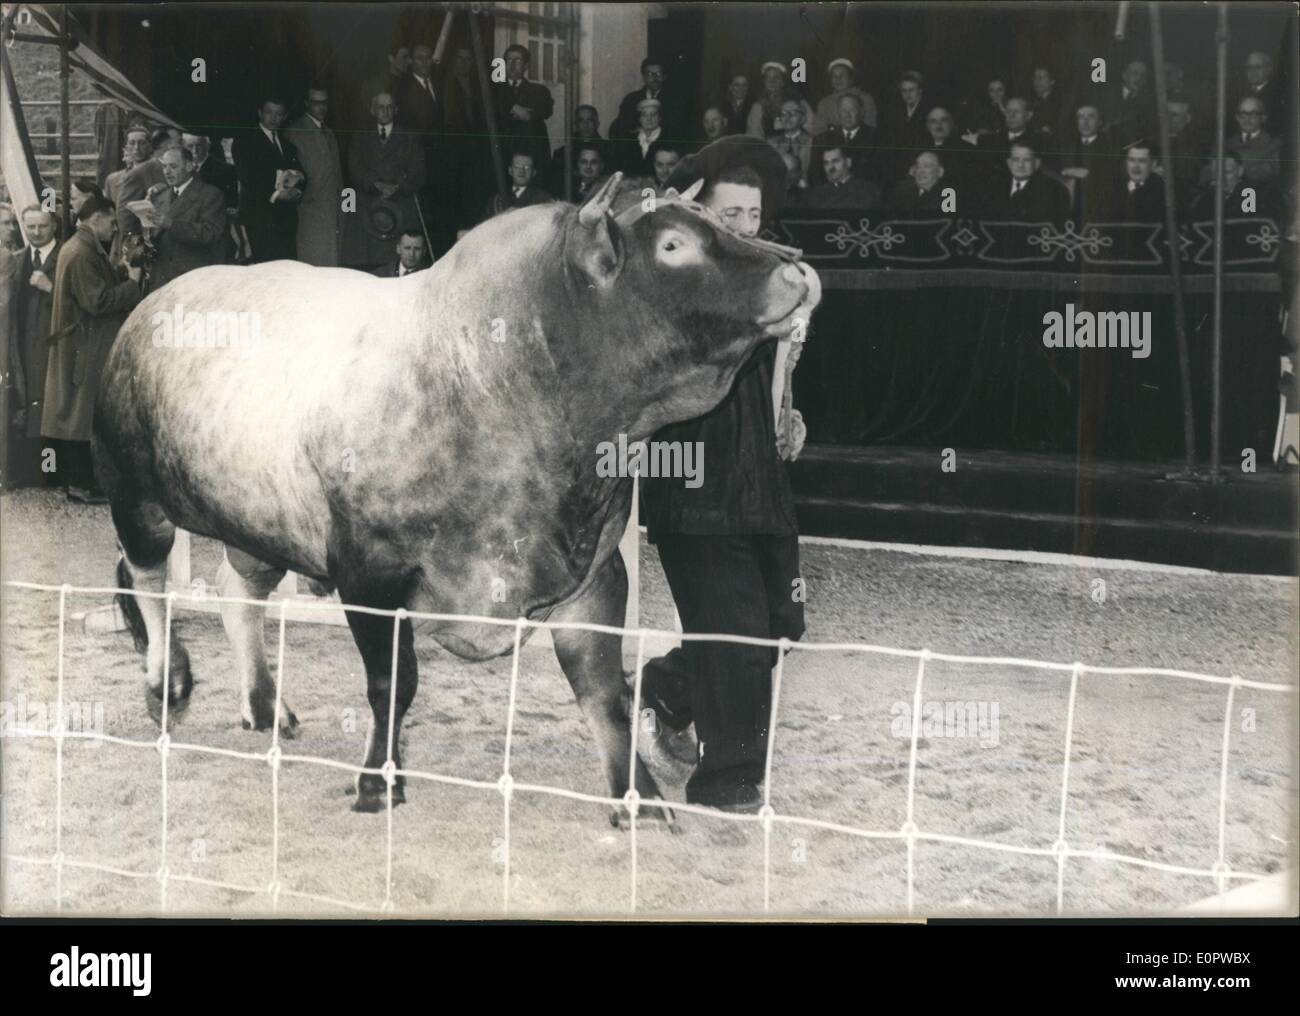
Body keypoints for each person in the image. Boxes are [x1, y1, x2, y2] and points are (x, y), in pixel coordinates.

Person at [638, 135, 808, 813]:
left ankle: (663, 691)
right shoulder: (674, 280)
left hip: (760, 479)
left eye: (754, 215)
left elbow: (776, 370)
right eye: (730, 213)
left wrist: (791, 414)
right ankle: (728, 782)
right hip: (696, 482)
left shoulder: (768, 276)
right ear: (700, 212)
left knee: (780, 623)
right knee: (736, 635)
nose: (745, 227)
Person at [40, 195, 142, 503]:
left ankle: (80, 483)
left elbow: (95, 286)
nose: (114, 229)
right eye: (111, 222)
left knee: (77, 412)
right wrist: (133, 283)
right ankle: (82, 484)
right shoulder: (83, 252)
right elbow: (97, 301)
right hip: (86, 345)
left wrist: (119, 272)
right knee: (81, 415)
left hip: (82, 343)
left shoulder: (79, 247)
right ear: (96, 219)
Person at [6, 206, 61, 485]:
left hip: (53, 345)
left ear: (54, 226)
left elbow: (82, 302)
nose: (36, 232)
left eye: (42, 226)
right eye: (30, 227)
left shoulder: (65, 257)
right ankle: (29, 471)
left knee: (48, 407)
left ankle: (50, 473)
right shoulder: (17, 259)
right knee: (26, 404)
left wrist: (51, 288)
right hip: (22, 346)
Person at [347, 90, 426, 269]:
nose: (385, 111)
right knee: (372, 265)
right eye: (380, 107)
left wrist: (397, 186)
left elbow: (419, 172)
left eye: (389, 107)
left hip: (401, 207)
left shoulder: (410, 137)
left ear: (396, 110)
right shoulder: (360, 136)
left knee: (400, 263)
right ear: (372, 110)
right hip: (370, 209)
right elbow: (354, 168)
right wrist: (375, 184)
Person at [232, 92, 306, 263]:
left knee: (286, 272)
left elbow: (302, 174)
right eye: (269, 112)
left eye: (279, 114)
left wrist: (298, 191)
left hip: (285, 223)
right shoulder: (245, 141)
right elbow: (248, 177)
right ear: (260, 113)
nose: (274, 118)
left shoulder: (287, 145)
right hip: (259, 222)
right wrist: (277, 195)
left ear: (285, 116)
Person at [143, 145, 228, 290]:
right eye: (164, 167)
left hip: (191, 279)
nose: (167, 172)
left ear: (189, 166)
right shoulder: (160, 196)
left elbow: (210, 233)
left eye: (173, 166)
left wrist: (172, 224)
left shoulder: (210, 195)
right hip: (160, 279)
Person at [285, 86, 343, 267]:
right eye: (316, 102)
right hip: (309, 213)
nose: (321, 107)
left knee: (331, 265)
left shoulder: (329, 133)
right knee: (312, 265)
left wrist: (345, 209)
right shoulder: (294, 132)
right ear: (306, 103)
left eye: (324, 102)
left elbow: (338, 177)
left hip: (332, 211)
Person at [492, 44, 554, 173]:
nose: (512, 65)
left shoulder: (538, 91)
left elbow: (546, 110)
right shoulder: (494, 90)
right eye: (509, 60)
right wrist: (512, 106)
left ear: (526, 65)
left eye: (518, 60)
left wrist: (529, 115)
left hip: (530, 153)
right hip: (502, 154)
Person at [981, 140, 1069, 224]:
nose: (1020, 165)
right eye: (1016, 160)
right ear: (1009, 163)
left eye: (1027, 160)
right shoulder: (993, 186)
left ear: (1037, 163)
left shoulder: (1055, 190)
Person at [612, 58, 679, 139]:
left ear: (664, 76)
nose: (654, 78)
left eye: (658, 73)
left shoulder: (676, 100)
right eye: (649, 74)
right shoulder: (631, 100)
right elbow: (621, 127)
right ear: (643, 77)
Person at [1226, 96, 1281, 187]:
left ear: (1263, 118)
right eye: (1243, 115)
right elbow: (1208, 172)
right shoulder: (1227, 143)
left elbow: (1268, 173)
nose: (1247, 120)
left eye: (1253, 115)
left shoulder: (1272, 144)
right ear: (1237, 117)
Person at [806, 144, 881, 209]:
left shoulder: (868, 191)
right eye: (826, 163)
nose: (831, 167)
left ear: (848, 162)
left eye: (835, 161)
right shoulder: (817, 194)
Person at [813, 58, 877, 133]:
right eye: (834, 76)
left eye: (842, 75)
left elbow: (871, 126)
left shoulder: (864, 98)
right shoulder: (824, 103)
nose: (838, 79)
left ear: (851, 79)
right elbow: (819, 130)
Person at [485, 152, 552, 217]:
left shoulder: (544, 199)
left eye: (527, 168)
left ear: (533, 173)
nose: (522, 171)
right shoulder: (496, 199)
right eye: (517, 167)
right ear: (510, 170)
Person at [766, 98, 815, 186]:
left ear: (803, 118)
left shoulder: (812, 143)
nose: (787, 117)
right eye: (784, 114)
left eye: (793, 113)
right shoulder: (771, 143)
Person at [888, 150, 951, 218]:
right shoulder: (902, 193)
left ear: (940, 172)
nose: (921, 171)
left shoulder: (948, 195)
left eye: (927, 166)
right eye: (918, 167)